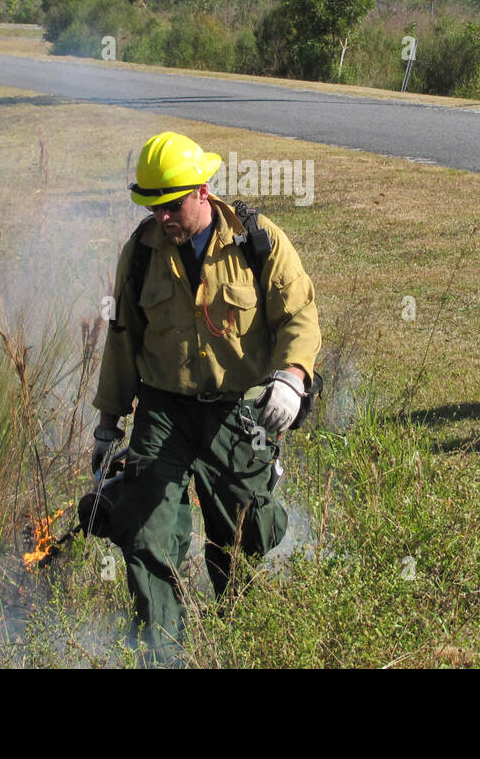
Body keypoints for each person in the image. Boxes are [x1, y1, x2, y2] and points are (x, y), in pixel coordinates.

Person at [90, 131, 320, 657]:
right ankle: (163, 652)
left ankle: (238, 639)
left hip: (237, 413)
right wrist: (108, 426)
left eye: (170, 206)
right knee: (146, 534)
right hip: (163, 410)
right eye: (153, 206)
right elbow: (122, 337)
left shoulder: (258, 241)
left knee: (246, 535)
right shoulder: (143, 251)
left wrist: (293, 376)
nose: (162, 218)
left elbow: (299, 316)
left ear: (202, 190)